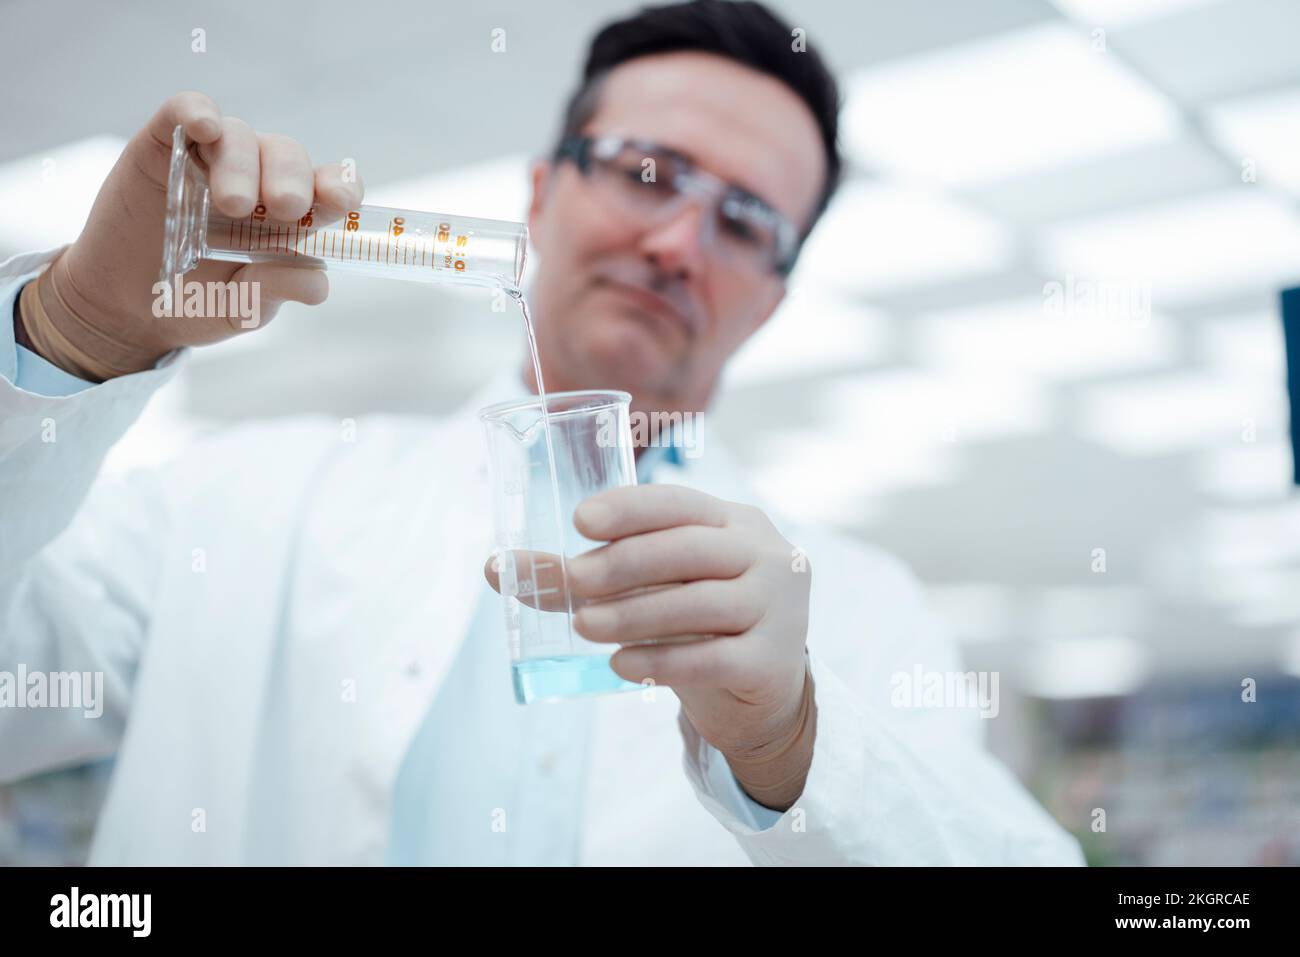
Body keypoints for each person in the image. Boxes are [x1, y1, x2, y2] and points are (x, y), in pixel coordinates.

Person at [0, 0, 1084, 865]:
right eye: (646, 171)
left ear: (772, 299)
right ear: (538, 192)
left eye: (746, 221)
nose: (674, 242)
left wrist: (793, 743)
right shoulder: (236, 504)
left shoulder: (861, 613)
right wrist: (67, 336)